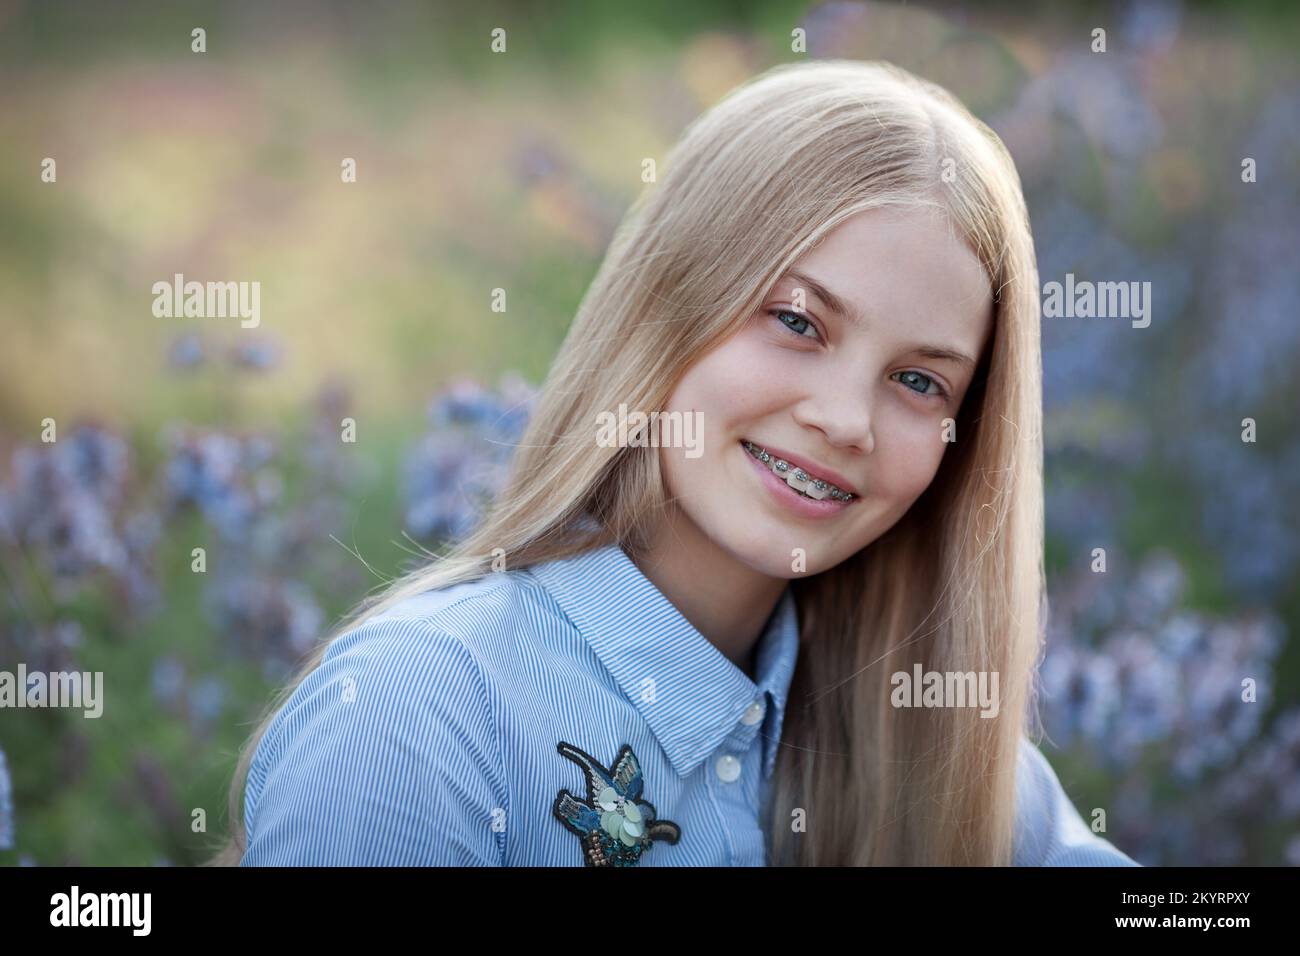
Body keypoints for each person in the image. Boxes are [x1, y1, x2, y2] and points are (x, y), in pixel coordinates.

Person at [220, 59, 1138, 866]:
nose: (845, 419)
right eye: (796, 321)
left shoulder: (927, 742)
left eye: (917, 381)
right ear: (665, 303)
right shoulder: (419, 717)